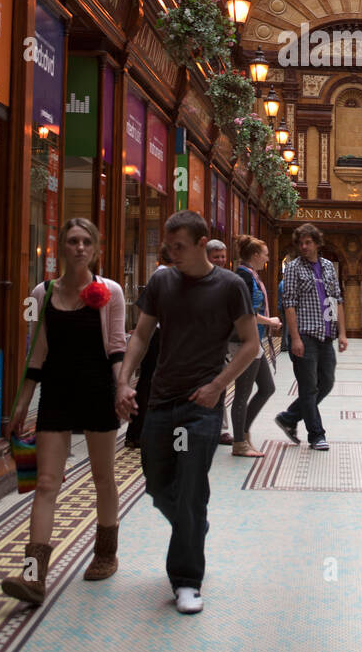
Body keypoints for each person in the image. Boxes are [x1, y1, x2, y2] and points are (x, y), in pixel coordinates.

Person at [115, 210, 257, 615]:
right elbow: (141, 334)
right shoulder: (162, 280)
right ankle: (193, 527)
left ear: (200, 243)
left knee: (192, 488)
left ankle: (187, 579)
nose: (171, 252)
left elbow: (249, 344)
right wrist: (124, 381)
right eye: (168, 245)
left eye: (179, 246)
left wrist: (217, 387)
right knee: (158, 485)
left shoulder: (229, 285)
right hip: (161, 401)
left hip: (202, 405)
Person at [1, 218, 126, 606]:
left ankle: (105, 553)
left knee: (102, 477)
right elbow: (37, 351)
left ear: (96, 248)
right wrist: (22, 402)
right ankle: (34, 576)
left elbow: (117, 347)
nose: (79, 247)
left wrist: (123, 387)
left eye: (87, 241)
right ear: (61, 247)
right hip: (55, 393)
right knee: (46, 482)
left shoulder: (110, 292)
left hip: (97, 391)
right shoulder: (42, 293)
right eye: (72, 241)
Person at [274, 223, 347, 451]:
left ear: (317, 243)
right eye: (301, 243)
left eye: (308, 242)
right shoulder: (294, 268)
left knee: (326, 382)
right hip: (305, 335)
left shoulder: (327, 267)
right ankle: (316, 435)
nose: (304, 247)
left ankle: (289, 417)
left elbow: (337, 300)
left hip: (326, 336)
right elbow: (290, 304)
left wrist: (342, 333)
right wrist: (294, 338)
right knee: (308, 388)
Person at [230, 235, 280, 457]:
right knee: (242, 392)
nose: (267, 259)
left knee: (267, 387)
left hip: (253, 340)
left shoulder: (250, 275)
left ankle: (244, 433)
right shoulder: (243, 275)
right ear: (256, 255)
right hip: (244, 342)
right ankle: (239, 442)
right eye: (265, 254)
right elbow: (245, 311)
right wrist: (270, 321)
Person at [124, 243, 171, 449]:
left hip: (155, 334)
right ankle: (138, 433)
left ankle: (137, 433)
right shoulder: (164, 275)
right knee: (149, 384)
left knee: (147, 383)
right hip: (157, 335)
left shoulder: (163, 274)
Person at [206, 239, 234, 444]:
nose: (221, 260)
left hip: (220, 345)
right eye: (217, 257)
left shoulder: (229, 281)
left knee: (219, 386)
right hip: (197, 347)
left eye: (223, 256)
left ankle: (220, 429)